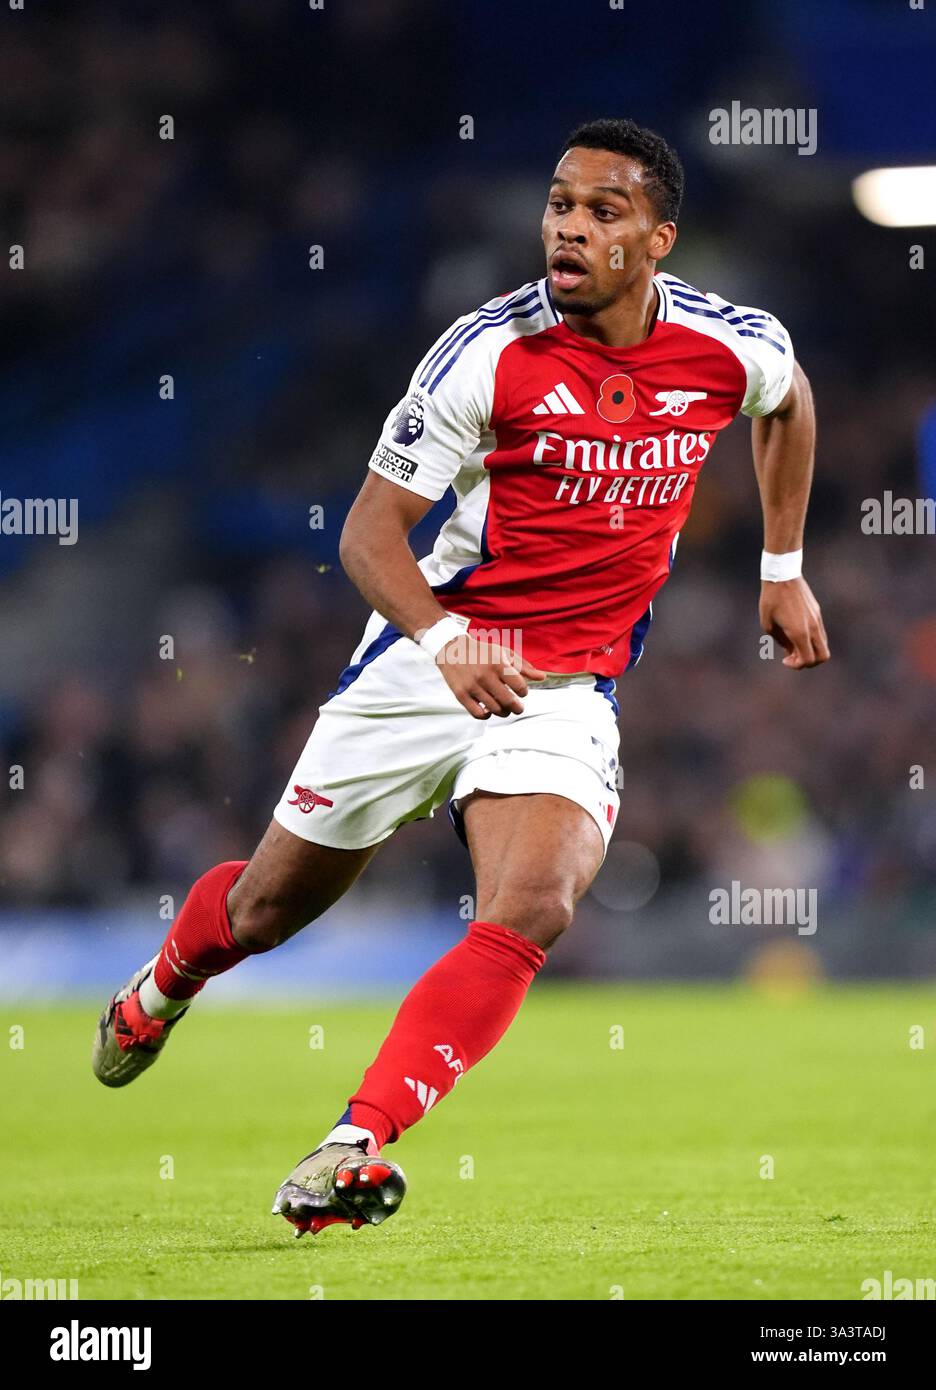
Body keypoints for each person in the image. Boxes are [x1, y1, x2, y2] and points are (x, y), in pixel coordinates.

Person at [92, 117, 829, 1237]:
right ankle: (159, 989)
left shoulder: (732, 345)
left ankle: (353, 1143)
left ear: (660, 238)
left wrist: (784, 568)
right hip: (428, 656)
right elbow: (367, 535)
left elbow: (790, 404)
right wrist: (447, 641)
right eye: (558, 205)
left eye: (602, 211)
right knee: (263, 911)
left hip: (564, 687)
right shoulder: (486, 351)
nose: (569, 229)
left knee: (532, 906)